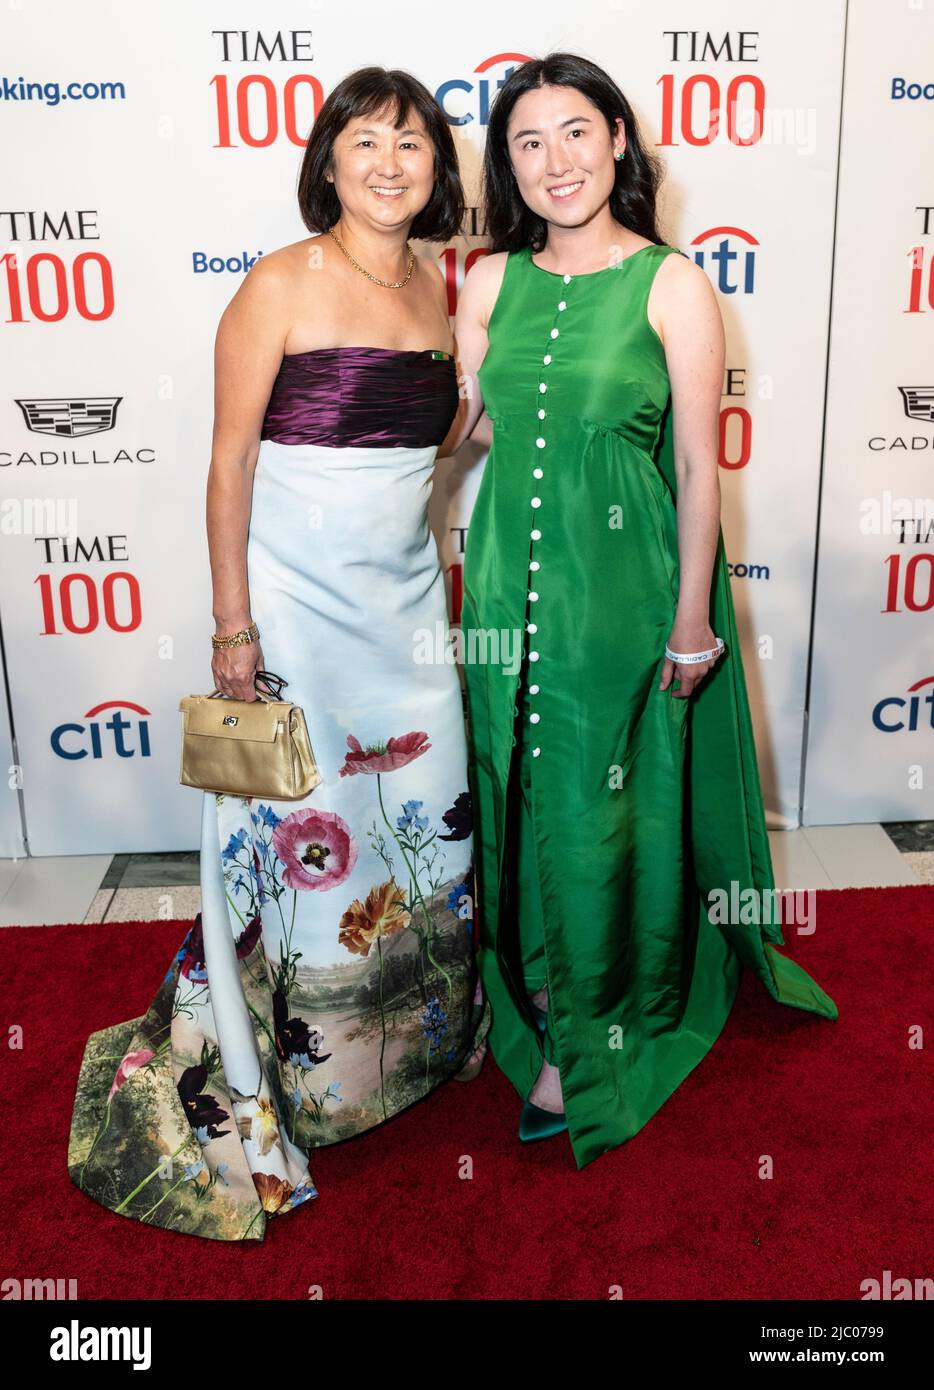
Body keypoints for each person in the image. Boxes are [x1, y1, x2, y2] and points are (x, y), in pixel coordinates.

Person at [67, 66, 489, 1240]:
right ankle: (298, 1075)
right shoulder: (275, 284)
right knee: (307, 841)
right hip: (294, 618)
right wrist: (232, 626)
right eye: (366, 143)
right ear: (328, 162)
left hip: (407, 614)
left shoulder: (440, 291)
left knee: (424, 817)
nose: (391, 163)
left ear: (435, 169)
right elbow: (229, 466)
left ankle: (410, 1049)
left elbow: (438, 439)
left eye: (412, 144)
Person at [449, 52, 838, 1167]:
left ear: (618, 139)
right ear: (506, 165)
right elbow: (471, 433)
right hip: (502, 594)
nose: (554, 160)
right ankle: (517, 991)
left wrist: (688, 620)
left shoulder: (672, 282)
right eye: (527, 142)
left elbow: (698, 471)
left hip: (614, 592)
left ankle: (589, 1035)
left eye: (576, 132)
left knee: (591, 809)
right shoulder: (488, 282)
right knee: (510, 795)